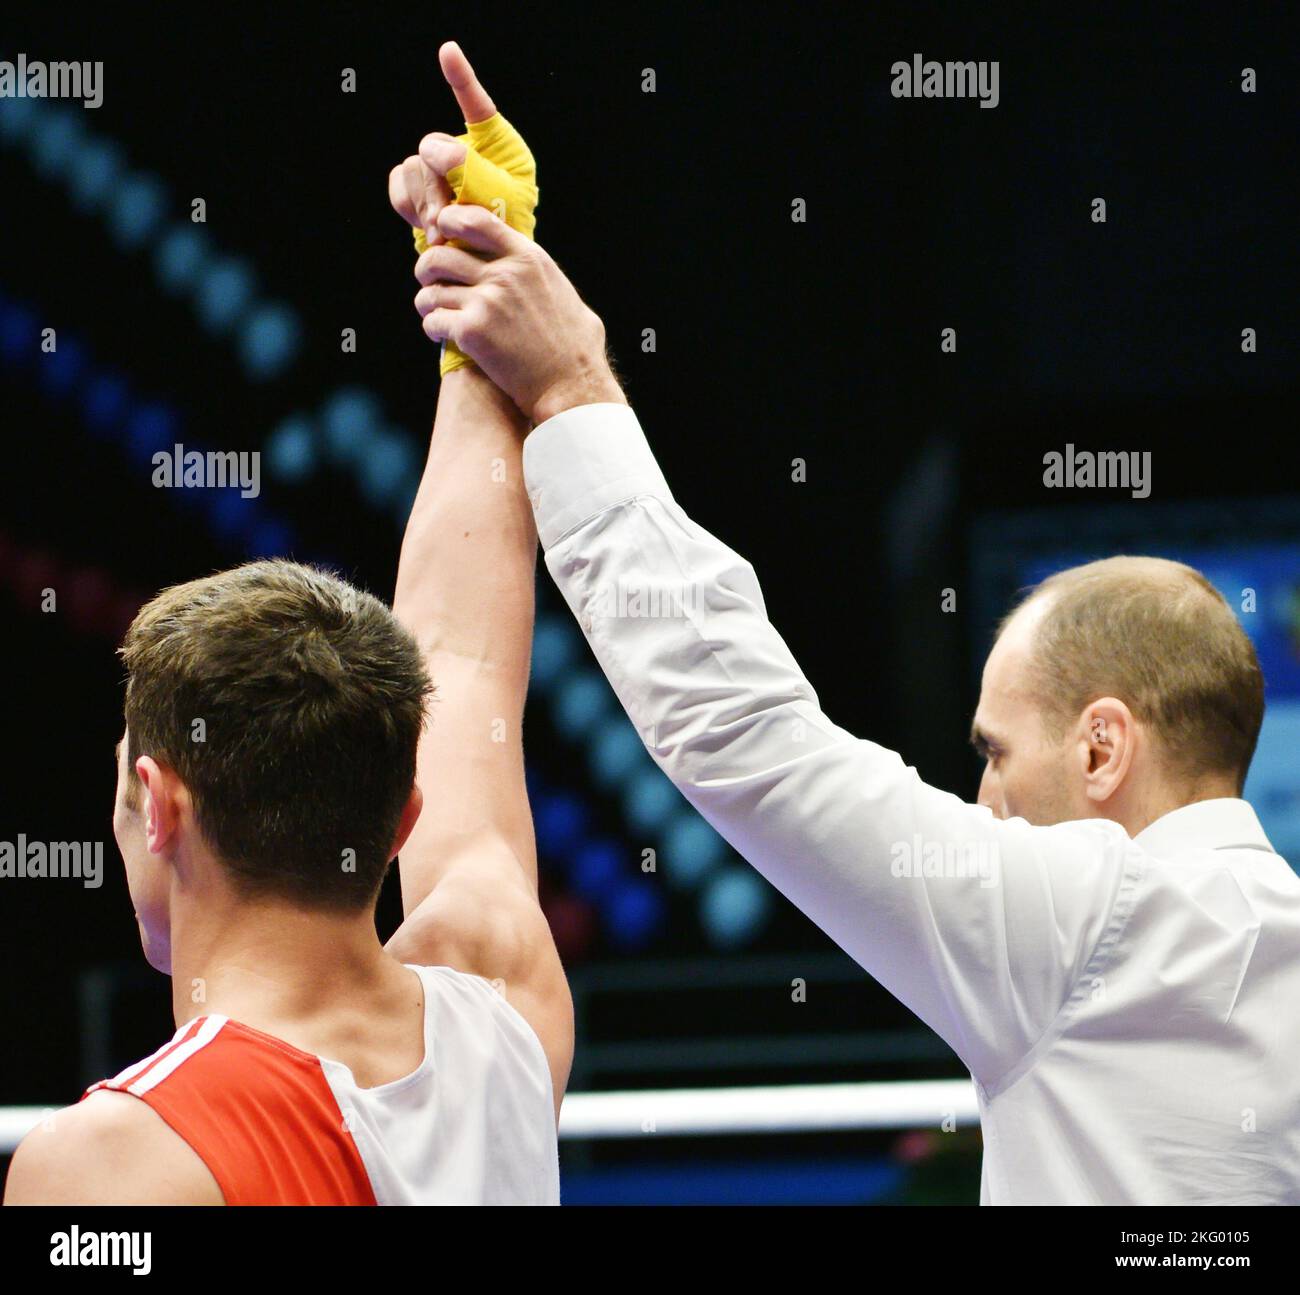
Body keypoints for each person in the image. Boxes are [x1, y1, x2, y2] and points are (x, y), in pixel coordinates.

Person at [404, 43, 1300, 1205]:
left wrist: (572, 382)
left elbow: (743, 731)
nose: (977, 798)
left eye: (993, 750)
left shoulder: (1090, 921)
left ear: (1101, 746)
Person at [4, 49, 570, 1205]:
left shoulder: (115, 1161)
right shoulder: (501, 998)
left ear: (163, 805)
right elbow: (458, 656)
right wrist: (480, 303)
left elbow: (454, 659)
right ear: (401, 815)